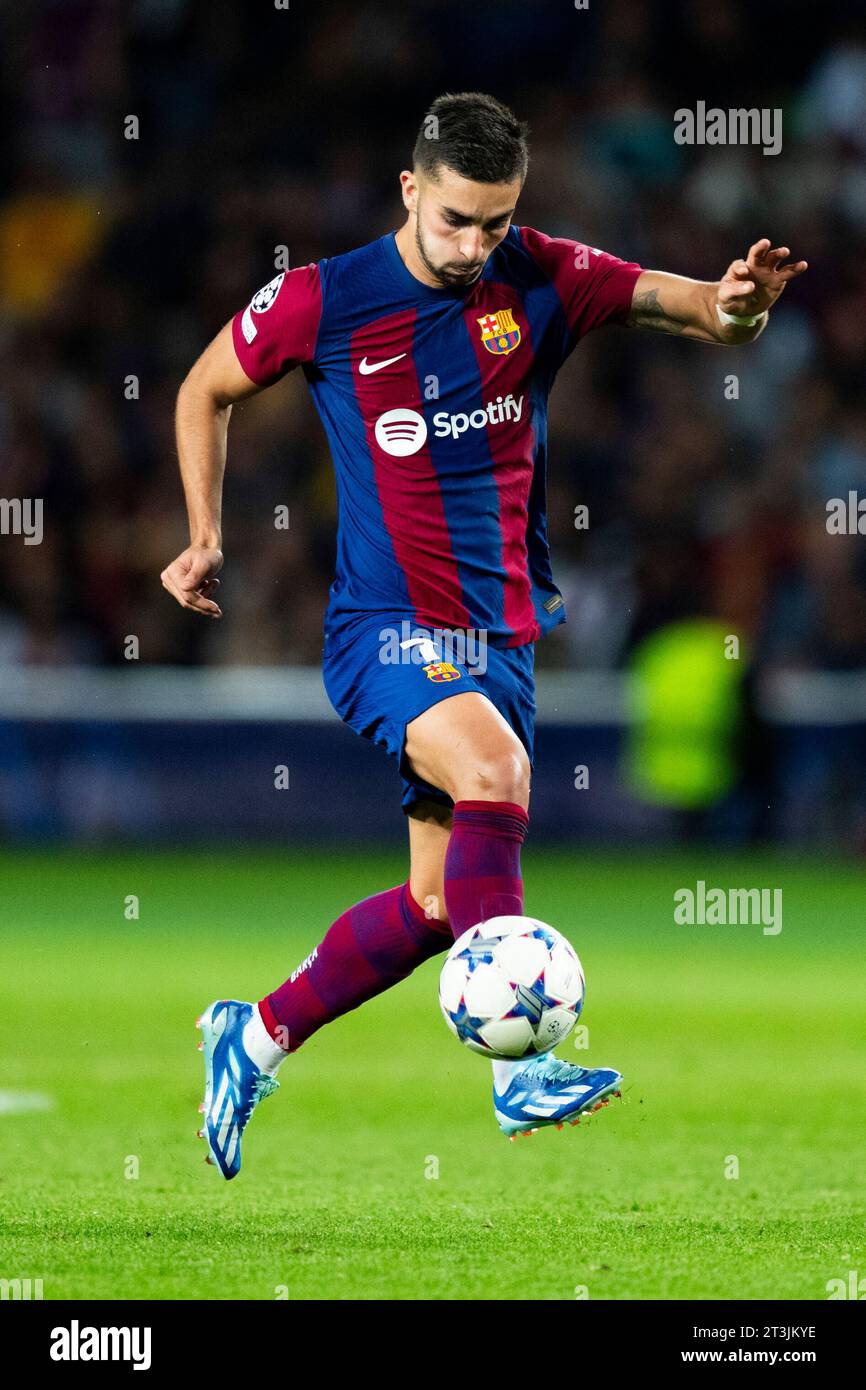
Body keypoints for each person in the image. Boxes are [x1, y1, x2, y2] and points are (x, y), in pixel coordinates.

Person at [162, 92, 807, 1178]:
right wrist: (201, 535)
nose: (474, 246)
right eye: (455, 218)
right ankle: (517, 1073)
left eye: (494, 223)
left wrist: (739, 304)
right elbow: (203, 388)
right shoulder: (325, 300)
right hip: (383, 628)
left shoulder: (541, 276)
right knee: (495, 770)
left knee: (430, 904)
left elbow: (691, 308)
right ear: (409, 190)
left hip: (499, 640)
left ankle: (256, 1033)